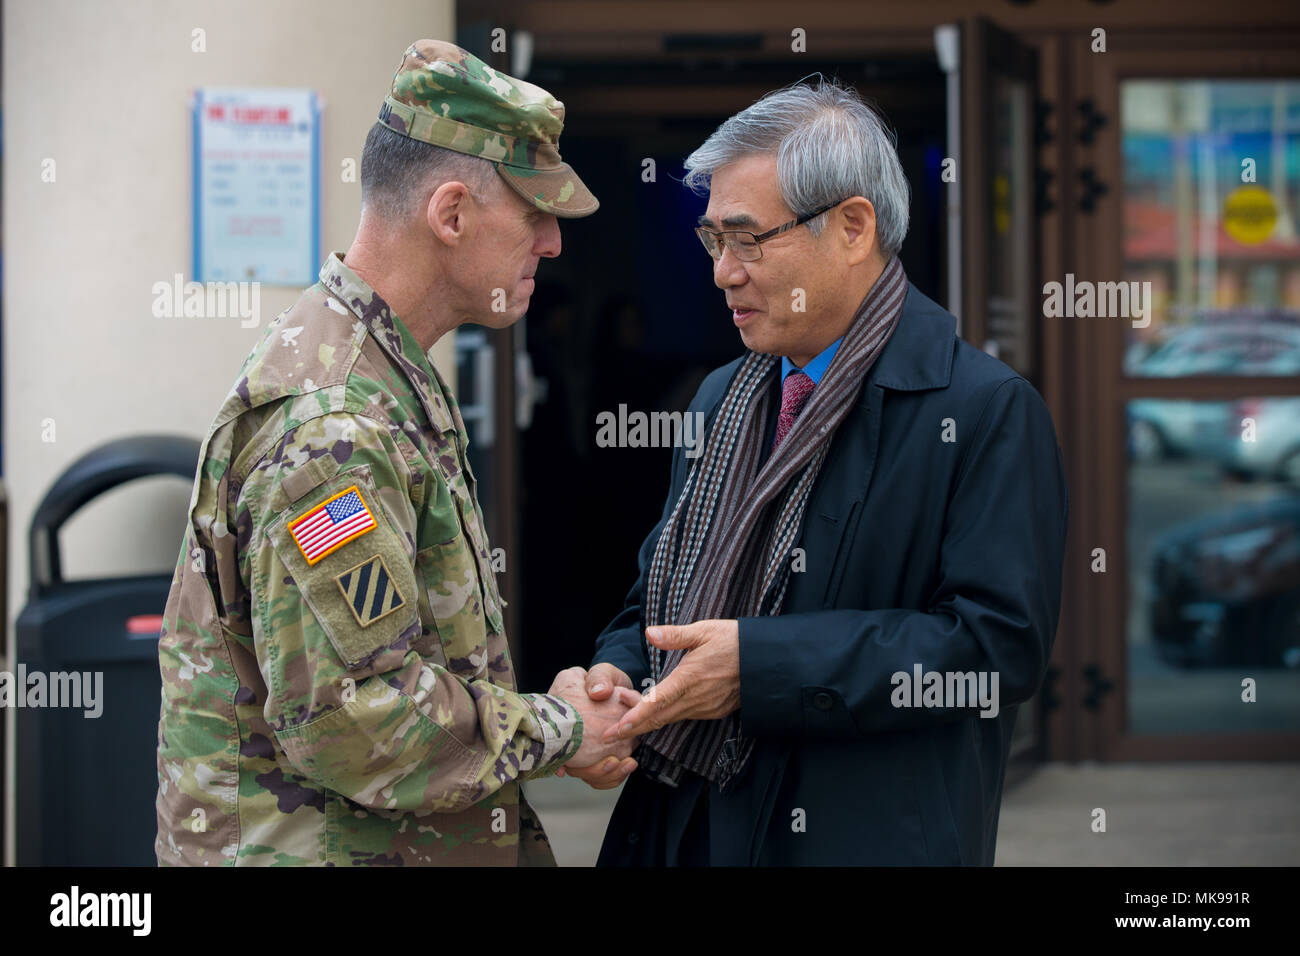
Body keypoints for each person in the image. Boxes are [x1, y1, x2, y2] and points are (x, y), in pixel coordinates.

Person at [155, 39, 639, 867]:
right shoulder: (334, 421)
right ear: (450, 215)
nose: (554, 244)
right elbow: (359, 721)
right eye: (535, 213)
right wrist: (562, 730)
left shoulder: (383, 371)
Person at [580, 78, 1070, 865]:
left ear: (852, 227)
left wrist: (761, 667)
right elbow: (657, 600)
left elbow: (995, 650)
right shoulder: (720, 398)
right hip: (684, 827)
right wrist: (610, 675)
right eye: (713, 241)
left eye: (747, 240)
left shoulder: (985, 408)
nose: (723, 274)